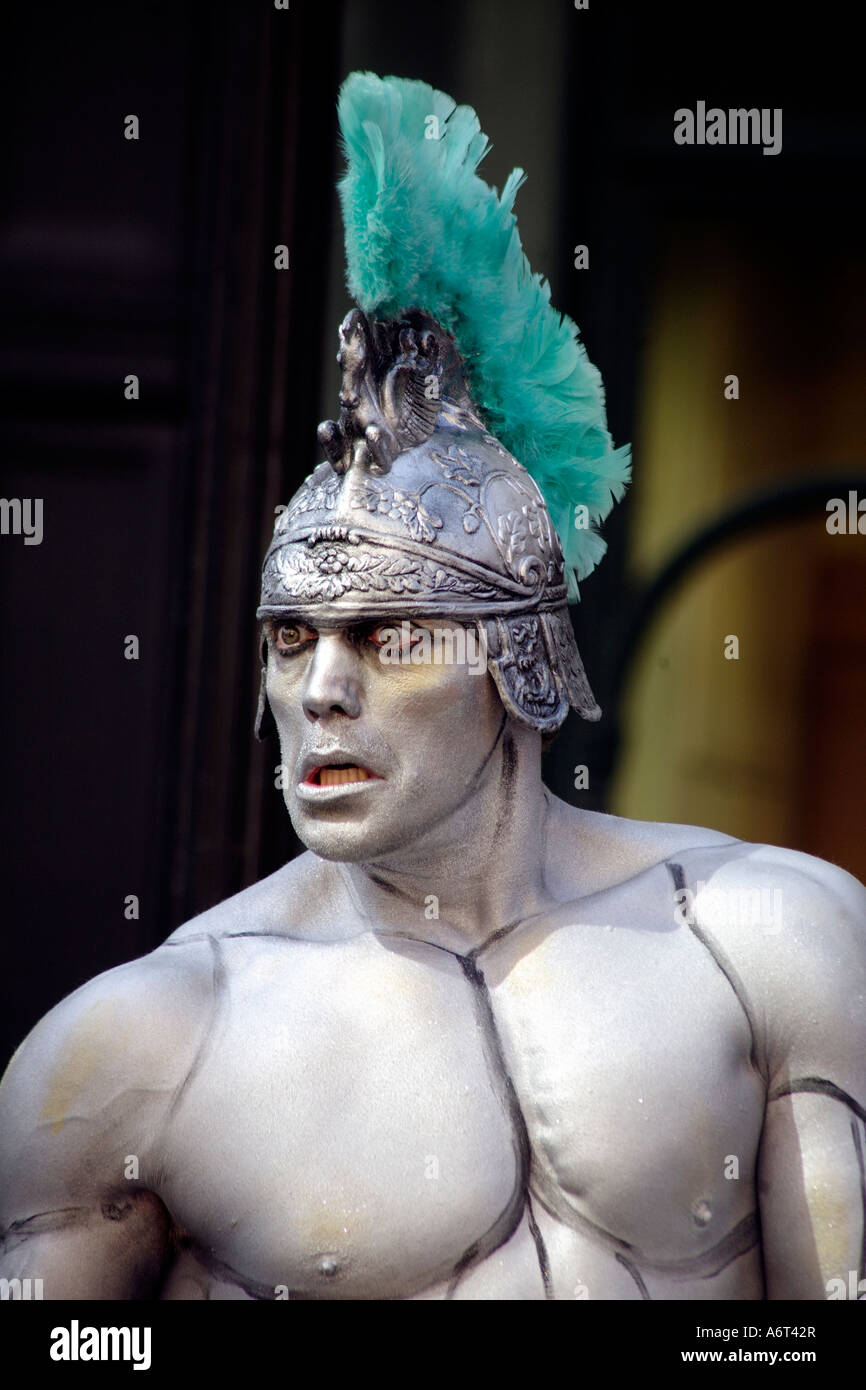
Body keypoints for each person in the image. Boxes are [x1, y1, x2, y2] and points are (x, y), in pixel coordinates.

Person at [1, 73, 864, 1302]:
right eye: (290, 640)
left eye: (389, 635)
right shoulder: (142, 1042)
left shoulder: (772, 936)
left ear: (517, 661)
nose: (322, 691)